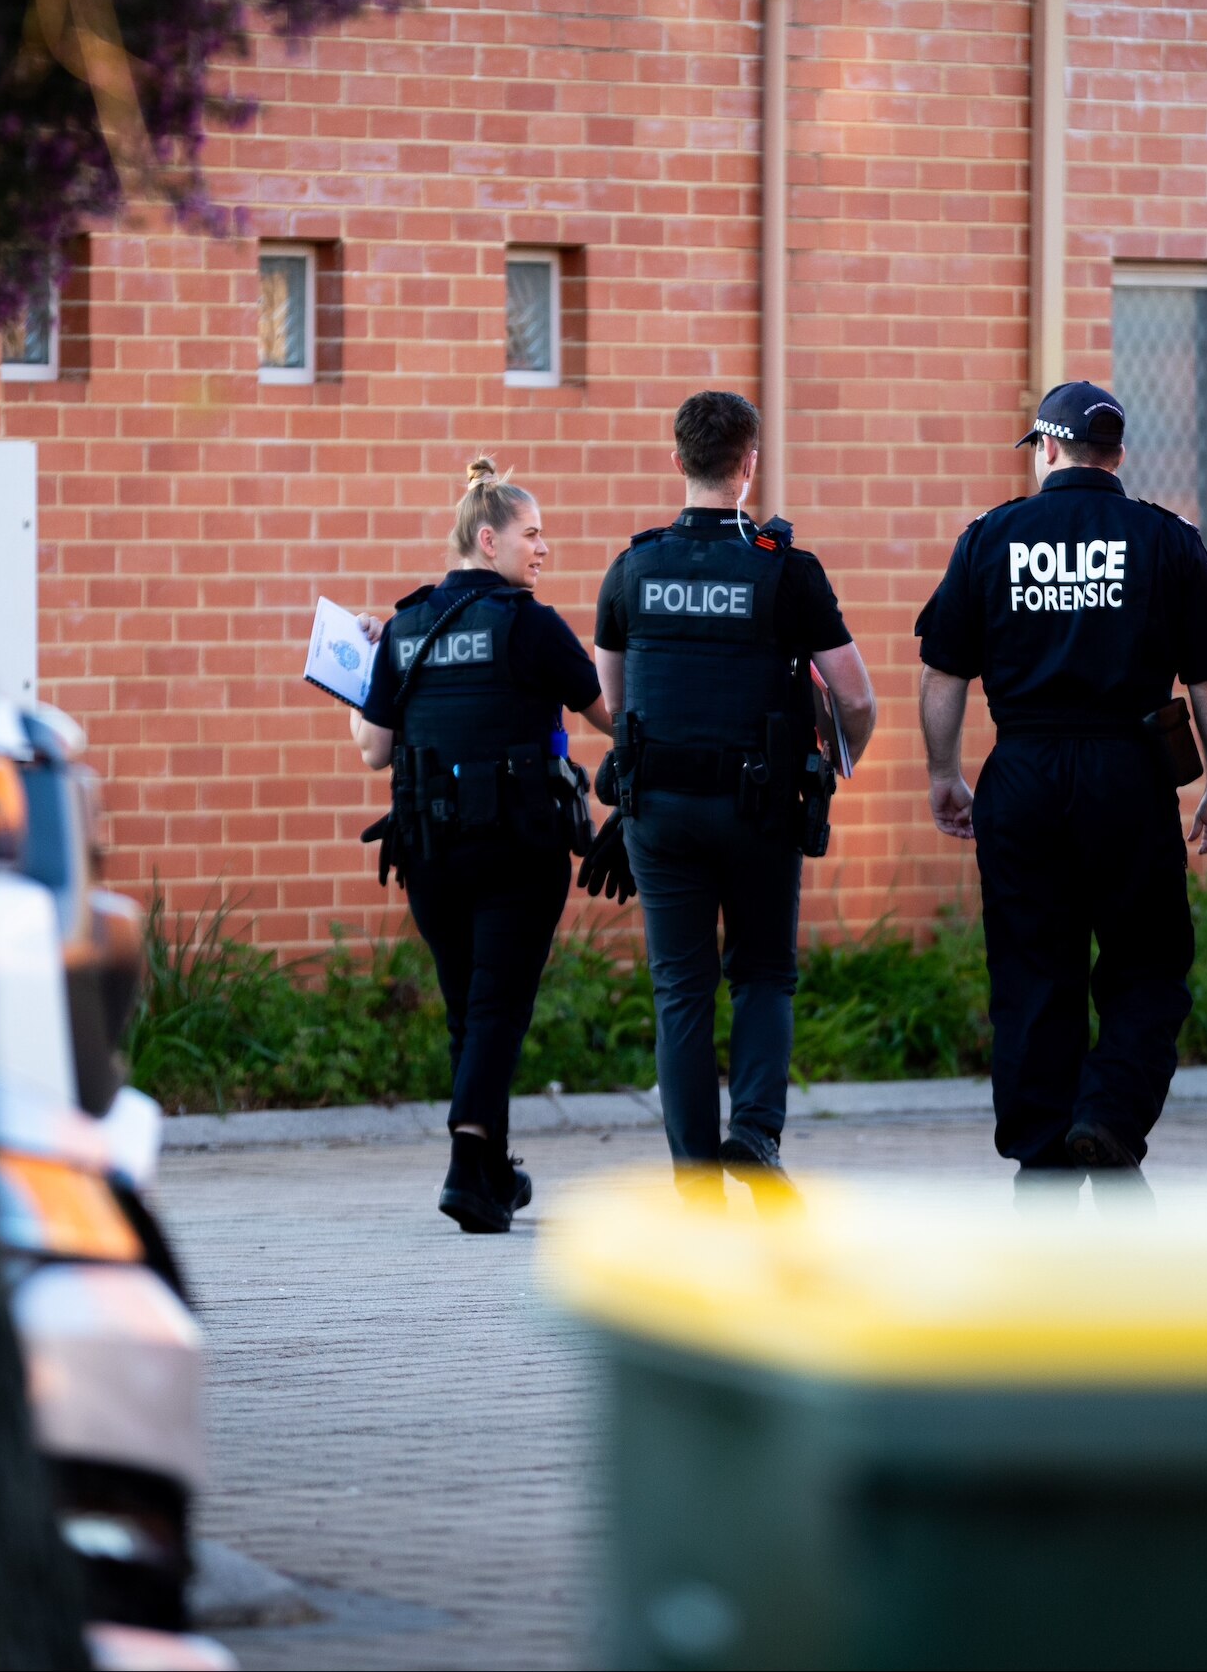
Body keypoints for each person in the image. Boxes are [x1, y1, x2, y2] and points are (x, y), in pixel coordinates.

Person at [915, 381, 1207, 1192]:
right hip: (1127, 776)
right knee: (1146, 965)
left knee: (1033, 970)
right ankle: (1106, 1117)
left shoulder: (991, 537)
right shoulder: (1167, 540)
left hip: (1022, 774)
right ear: (1119, 454)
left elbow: (943, 675)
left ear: (1047, 449)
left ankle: (1043, 1158)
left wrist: (943, 774)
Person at [590, 392, 877, 1181]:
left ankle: (695, 1181)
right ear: (747, 466)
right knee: (761, 974)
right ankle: (754, 1134)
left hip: (660, 812)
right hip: (757, 808)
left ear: (677, 460)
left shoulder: (633, 566)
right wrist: (835, 761)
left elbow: (613, 702)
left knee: (681, 990)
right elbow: (854, 696)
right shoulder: (786, 570)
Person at [349, 456, 611, 1235]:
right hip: (518, 847)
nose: (544, 549)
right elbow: (607, 713)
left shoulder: (405, 625)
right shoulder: (529, 623)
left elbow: (371, 749)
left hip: (428, 850)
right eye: (533, 535)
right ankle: (468, 1163)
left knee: (471, 1008)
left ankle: (492, 1170)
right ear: (488, 538)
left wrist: (366, 664)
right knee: (497, 1005)